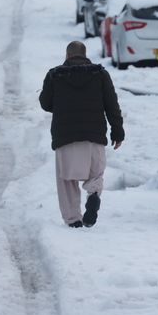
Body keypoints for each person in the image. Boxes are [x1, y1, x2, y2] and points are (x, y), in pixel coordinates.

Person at [39, 41, 125, 228]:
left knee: (66, 179)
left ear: (67, 56)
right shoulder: (100, 74)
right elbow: (112, 104)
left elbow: (45, 103)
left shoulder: (55, 75)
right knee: (95, 173)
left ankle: (73, 219)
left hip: (65, 136)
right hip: (94, 135)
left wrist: (61, 104)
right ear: (85, 55)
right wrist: (117, 130)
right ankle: (93, 195)